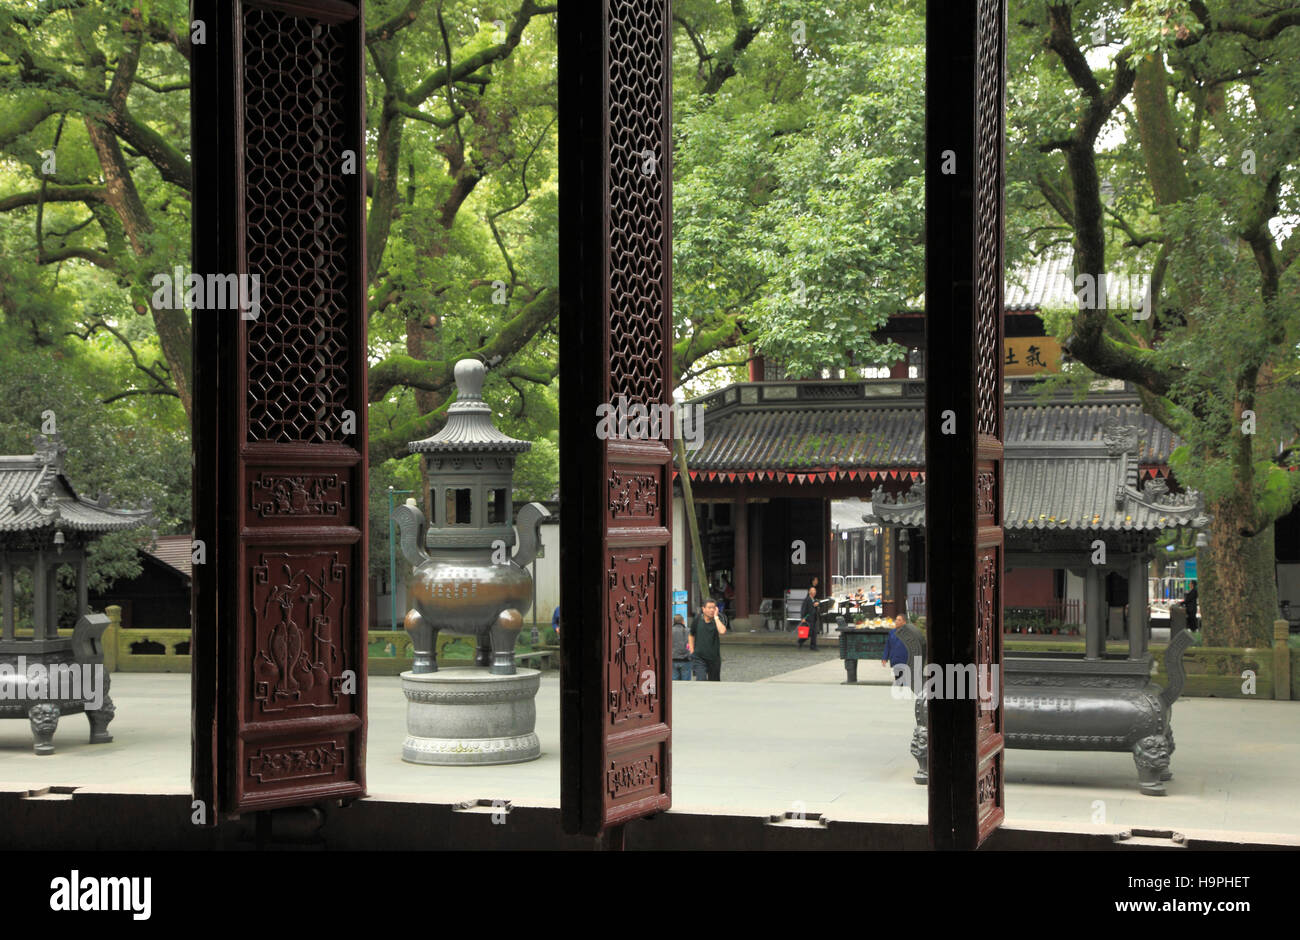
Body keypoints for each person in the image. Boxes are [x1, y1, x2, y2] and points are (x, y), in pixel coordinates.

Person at [689, 599, 727, 681]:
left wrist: (716, 617)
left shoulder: (719, 619)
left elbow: (722, 631)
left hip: (714, 658)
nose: (712, 610)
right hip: (699, 657)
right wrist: (692, 650)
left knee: (714, 683)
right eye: (709, 608)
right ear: (703, 609)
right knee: (701, 680)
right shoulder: (698, 619)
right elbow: (691, 634)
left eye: (713, 608)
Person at [882, 614, 910, 684]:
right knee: (898, 681)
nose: (896, 621)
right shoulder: (892, 632)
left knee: (905, 682)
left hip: (905, 661)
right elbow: (888, 646)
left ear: (904, 622)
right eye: (896, 619)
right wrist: (884, 658)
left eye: (899, 620)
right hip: (895, 660)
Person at [798, 585, 821, 650]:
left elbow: (819, 603)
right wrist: (803, 618)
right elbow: (803, 609)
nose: (814, 592)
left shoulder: (815, 599)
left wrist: (818, 604)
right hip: (808, 619)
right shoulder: (807, 599)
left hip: (814, 618)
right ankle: (800, 641)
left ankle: (813, 646)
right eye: (812, 590)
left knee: (814, 633)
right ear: (809, 592)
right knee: (808, 633)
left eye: (814, 590)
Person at [671, 614, 693, 680]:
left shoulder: (669, 631)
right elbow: (690, 644)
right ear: (683, 621)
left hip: (673, 660)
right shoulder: (688, 631)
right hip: (686, 660)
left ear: (673, 621)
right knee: (686, 685)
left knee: (674, 683)